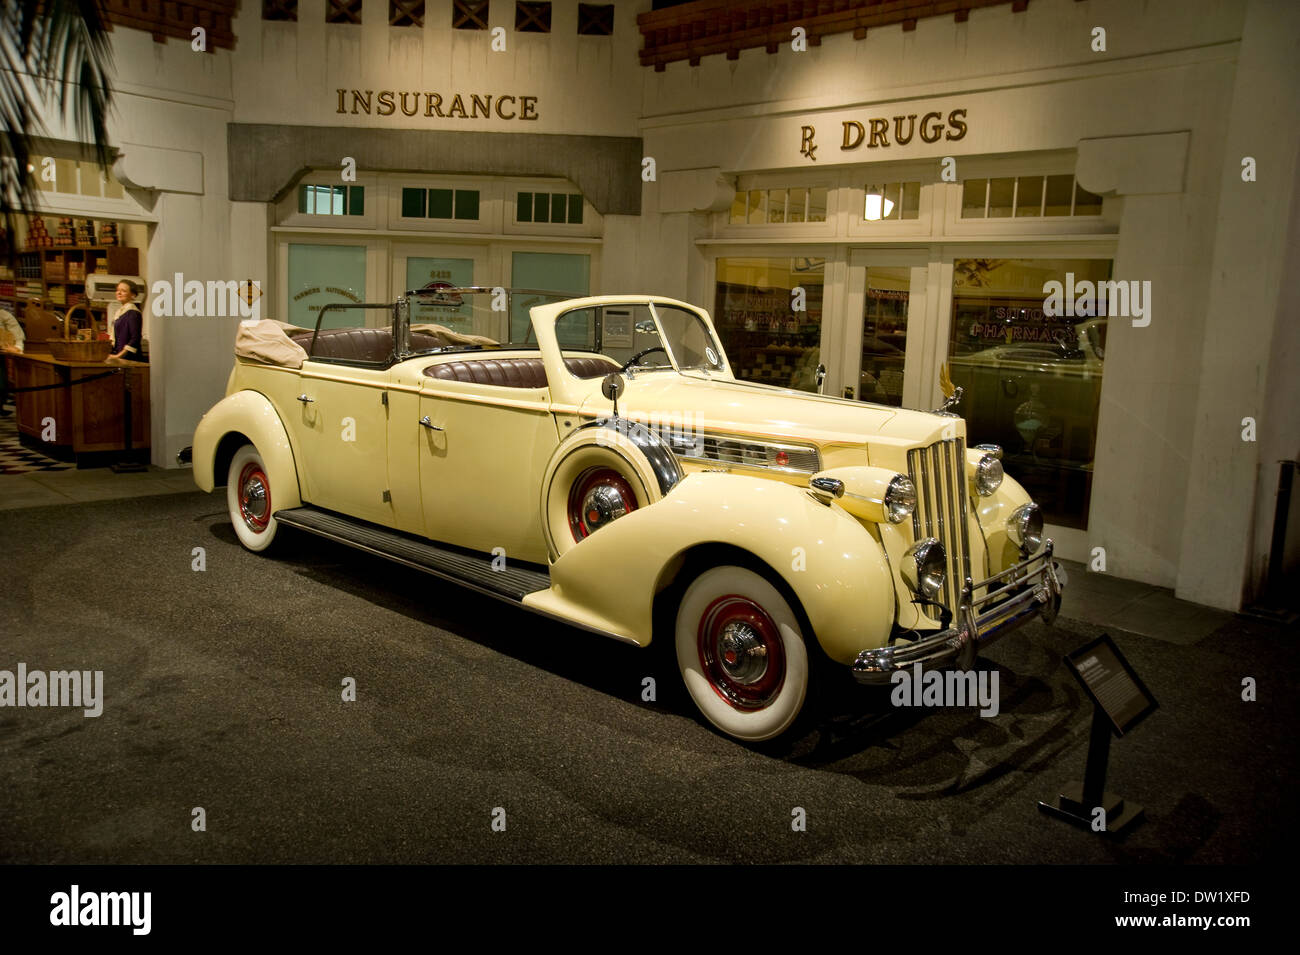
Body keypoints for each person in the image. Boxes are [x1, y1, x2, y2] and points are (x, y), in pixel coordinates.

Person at [106, 280, 147, 365]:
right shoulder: (120, 312)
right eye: (118, 290)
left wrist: (118, 356)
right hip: (120, 358)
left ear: (133, 295)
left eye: (123, 291)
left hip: (130, 359)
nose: (119, 293)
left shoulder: (133, 313)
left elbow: (135, 339)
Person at [0, 306, 25, 416]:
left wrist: (17, 347)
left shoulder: (3, 314)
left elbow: (17, 334)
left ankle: (0, 405)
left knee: (1, 381)